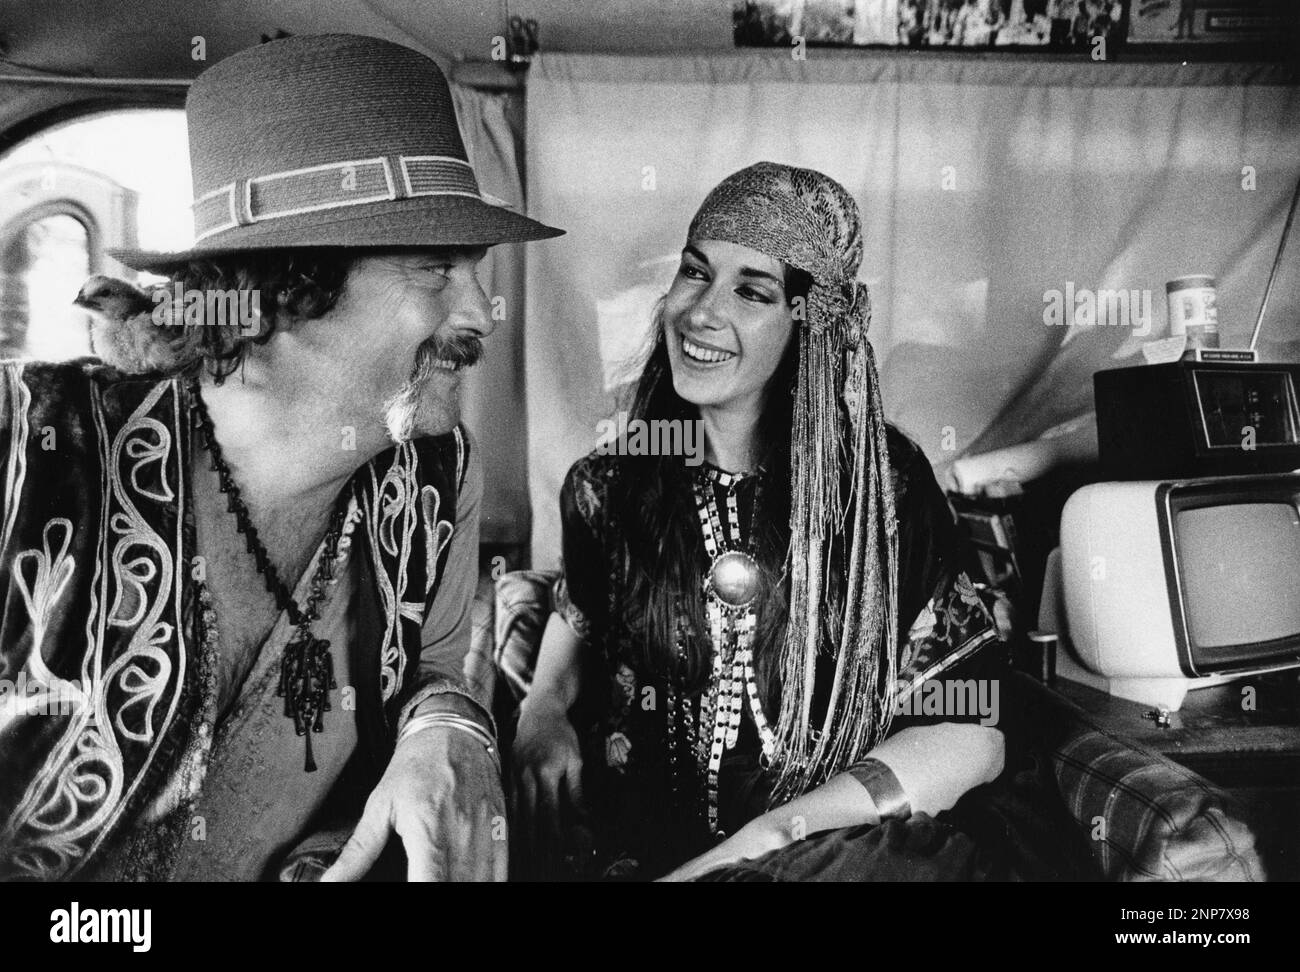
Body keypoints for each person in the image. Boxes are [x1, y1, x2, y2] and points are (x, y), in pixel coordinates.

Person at [0, 33, 562, 881]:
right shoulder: (32, 452)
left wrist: (448, 726)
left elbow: (437, 666)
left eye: (474, 271)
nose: (482, 313)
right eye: (435, 269)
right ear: (282, 290)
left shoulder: (437, 478)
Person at [512, 162, 1010, 881]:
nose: (701, 311)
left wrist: (767, 841)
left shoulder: (879, 490)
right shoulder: (609, 488)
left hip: (823, 857)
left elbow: (972, 733)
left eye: (752, 290)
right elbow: (577, 617)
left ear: (809, 323)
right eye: (694, 273)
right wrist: (540, 716)